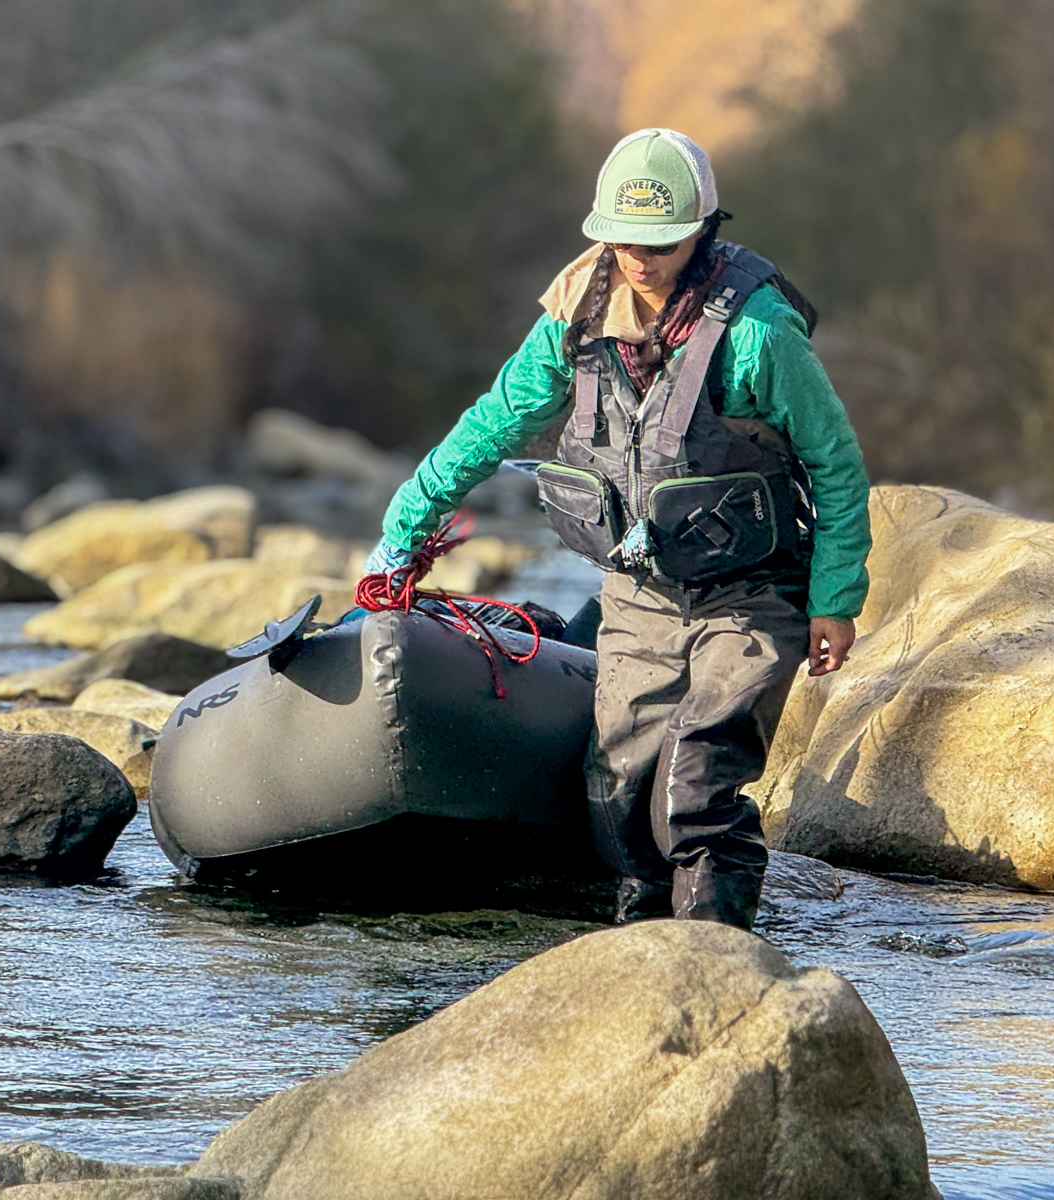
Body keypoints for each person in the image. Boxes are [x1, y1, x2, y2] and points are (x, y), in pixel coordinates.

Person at [363, 128, 871, 930]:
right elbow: (490, 428)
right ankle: (637, 955)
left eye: (662, 243)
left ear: (704, 229)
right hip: (639, 593)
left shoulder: (760, 331)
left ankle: (719, 958)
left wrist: (835, 599)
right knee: (620, 795)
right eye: (625, 240)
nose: (640, 258)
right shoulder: (574, 319)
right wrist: (402, 533)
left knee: (697, 786)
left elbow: (836, 466)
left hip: (754, 591)